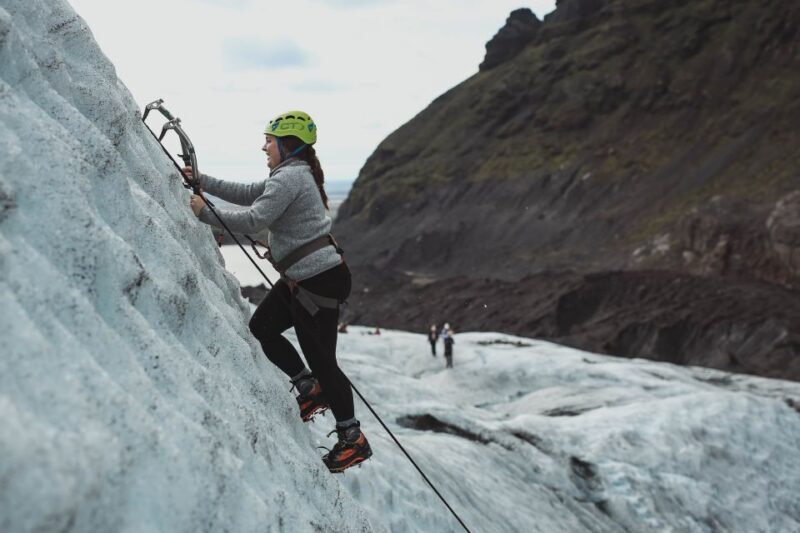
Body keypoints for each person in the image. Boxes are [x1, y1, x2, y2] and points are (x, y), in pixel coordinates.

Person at [185, 110, 371, 473]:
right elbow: (249, 193)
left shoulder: (290, 179)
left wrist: (206, 212)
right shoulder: (288, 175)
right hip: (308, 278)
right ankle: (309, 388)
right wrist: (202, 181)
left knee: (323, 360)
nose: (263, 147)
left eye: (268, 141)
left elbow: (254, 220)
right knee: (263, 330)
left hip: (317, 281)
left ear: (287, 145)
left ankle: (352, 438)